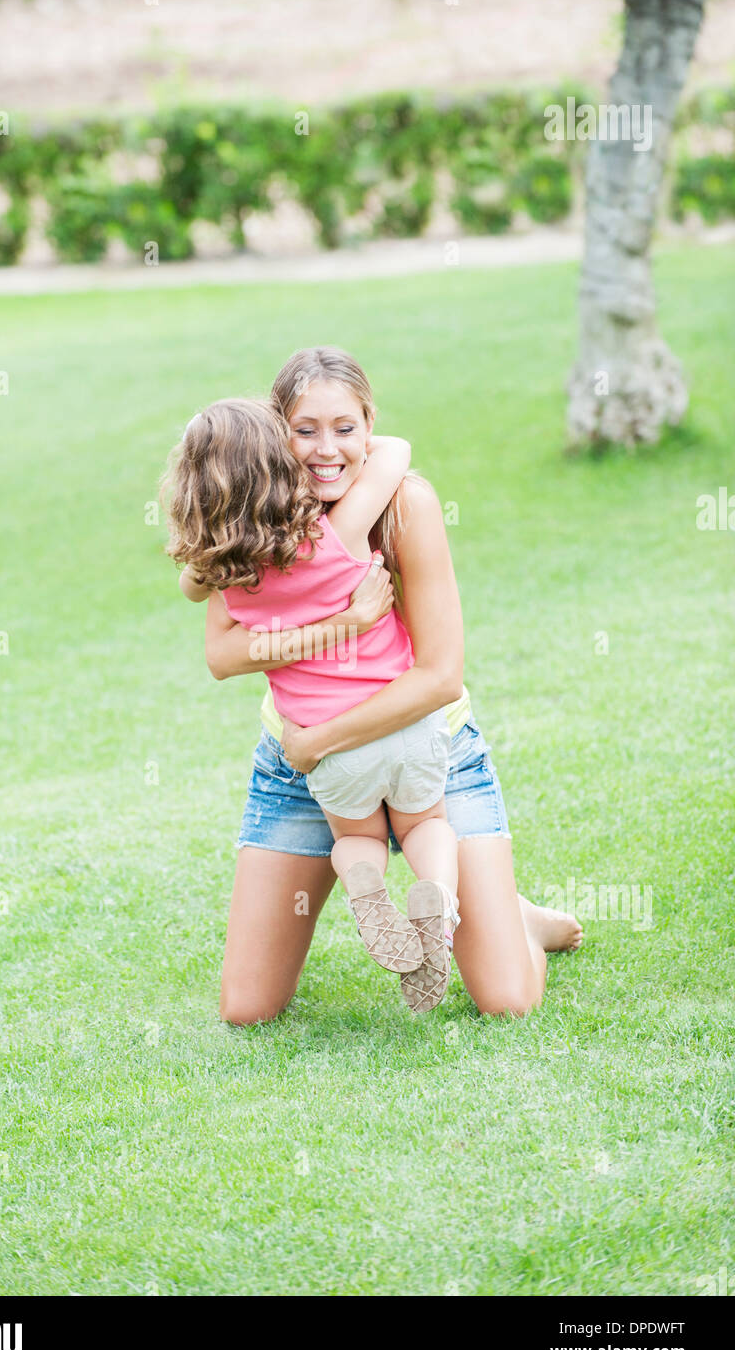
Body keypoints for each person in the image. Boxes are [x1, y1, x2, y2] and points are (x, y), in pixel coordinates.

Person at [187, 348, 582, 1024]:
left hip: (429, 750)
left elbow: (439, 677)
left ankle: (511, 917)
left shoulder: (404, 505)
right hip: (303, 774)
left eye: (345, 428)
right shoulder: (257, 525)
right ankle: (489, 903)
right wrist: (340, 626)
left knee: (507, 1000)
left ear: (369, 427)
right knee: (247, 1009)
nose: (325, 449)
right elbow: (222, 652)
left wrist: (318, 740)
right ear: (273, 435)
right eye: (303, 429)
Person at [166, 397, 460, 1013]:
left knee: (358, 840)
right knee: (427, 823)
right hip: (402, 724)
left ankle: (365, 880)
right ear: (282, 464)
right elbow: (396, 450)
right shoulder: (337, 531)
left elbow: (193, 580)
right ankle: (436, 893)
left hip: (328, 749)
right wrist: (349, 620)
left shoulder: (229, 571)